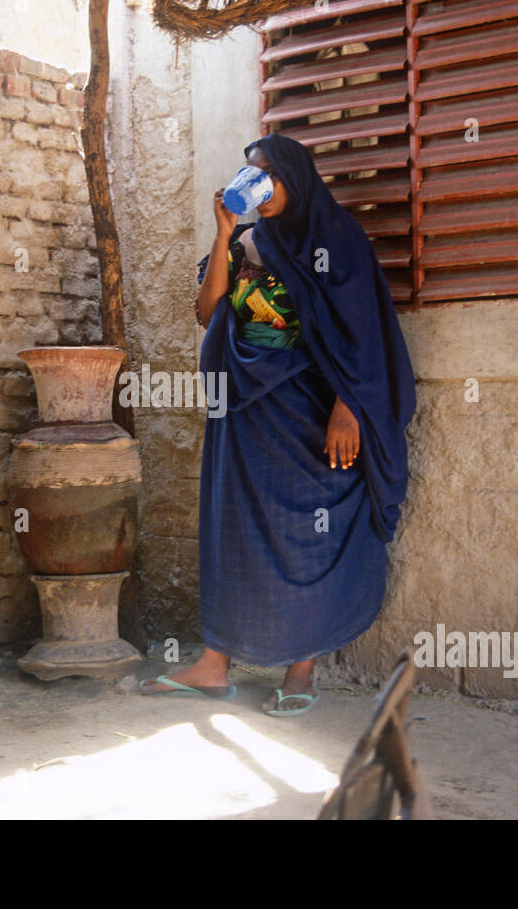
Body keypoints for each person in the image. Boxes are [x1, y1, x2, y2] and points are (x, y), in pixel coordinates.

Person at [139, 132, 417, 715]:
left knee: (310, 537)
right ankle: (214, 665)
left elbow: (362, 329)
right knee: (235, 532)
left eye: (266, 173)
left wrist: (350, 407)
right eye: (249, 174)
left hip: (313, 416)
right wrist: (222, 234)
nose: (256, 185)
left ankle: (302, 667)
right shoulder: (248, 241)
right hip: (244, 415)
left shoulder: (337, 239)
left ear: (295, 176)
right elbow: (209, 313)